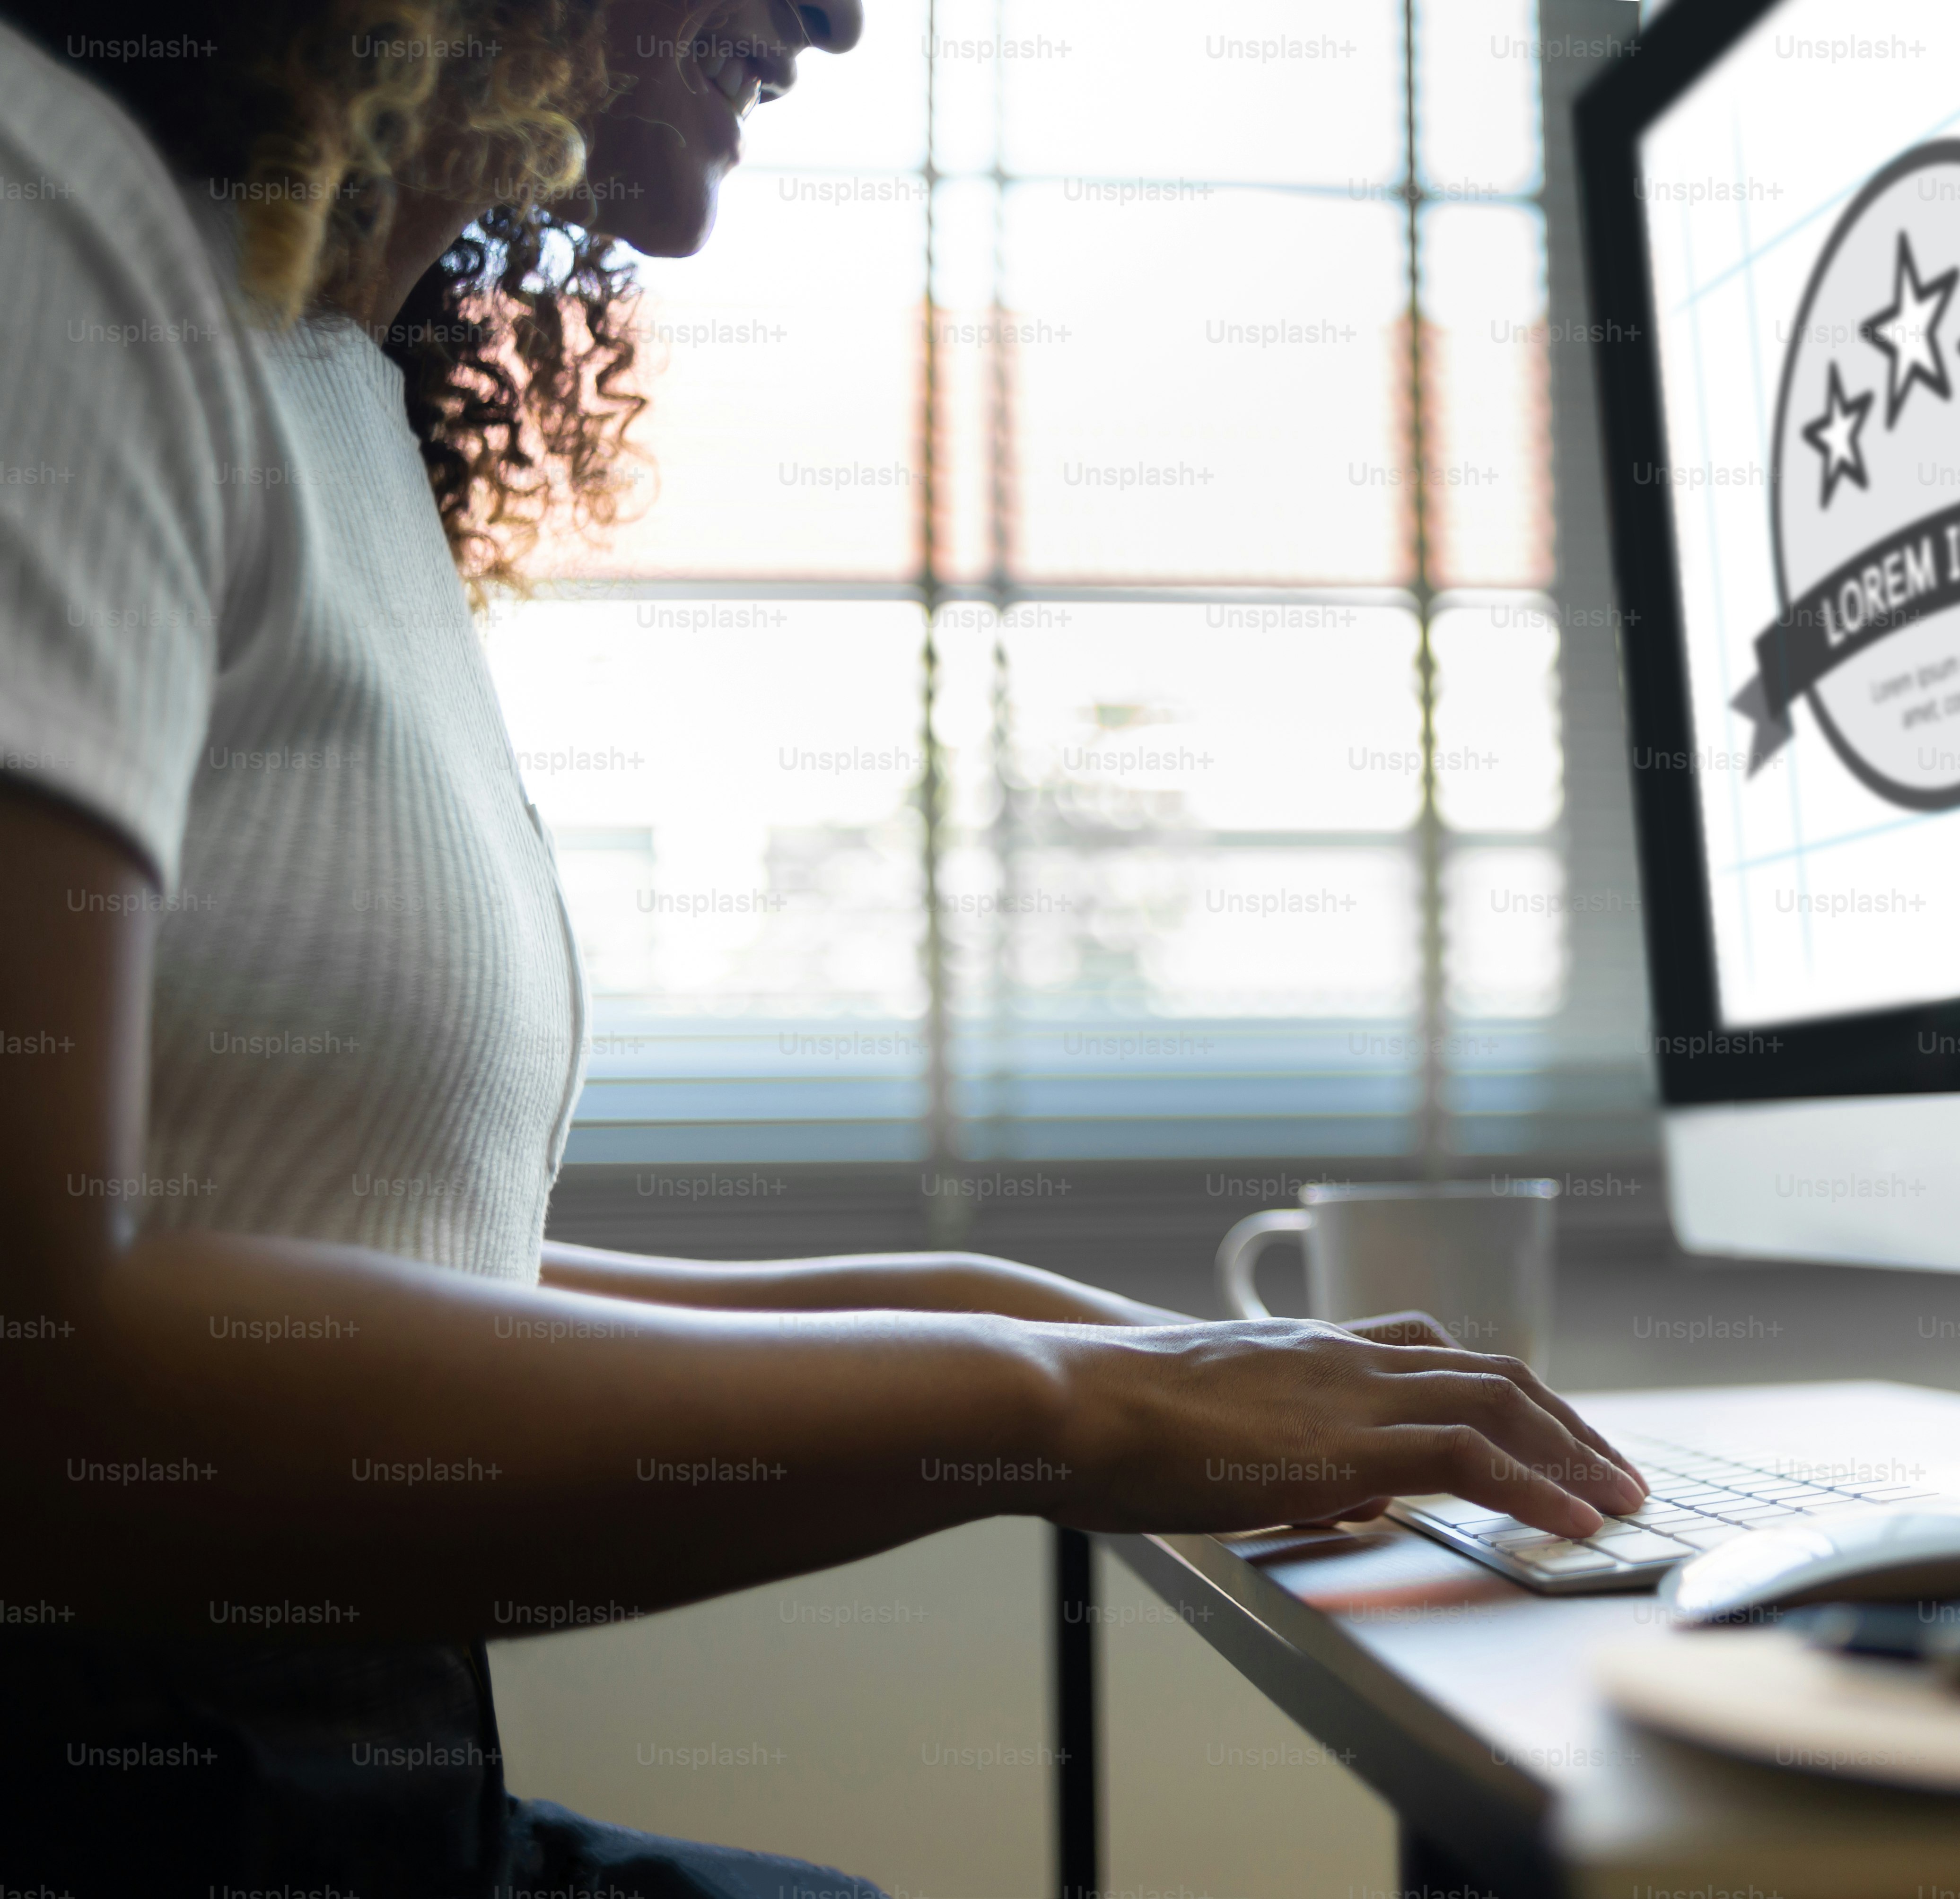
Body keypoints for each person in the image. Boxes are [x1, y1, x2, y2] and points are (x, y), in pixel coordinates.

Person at [0, 3, 1645, 1890]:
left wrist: (1053, 1319)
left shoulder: (327, 378)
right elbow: (49, 1378)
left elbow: (346, 1252)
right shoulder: (49, 223)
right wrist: (1062, 1404)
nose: (843, 13)